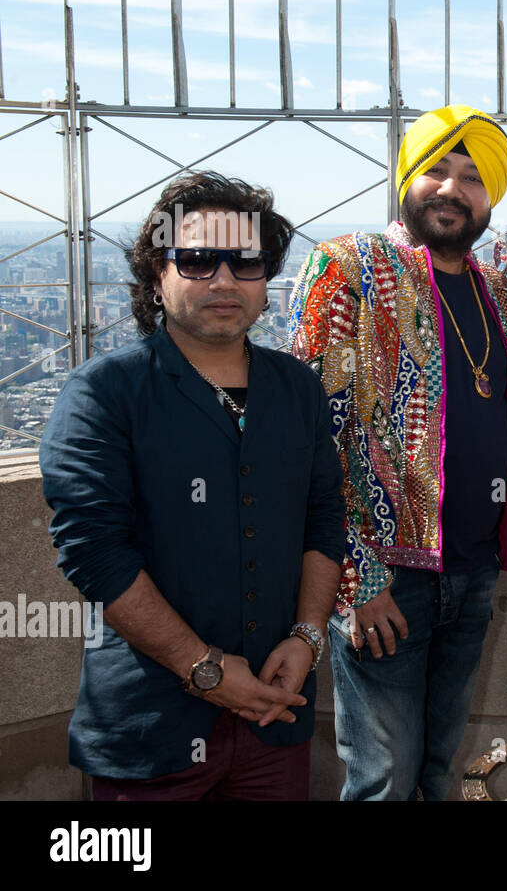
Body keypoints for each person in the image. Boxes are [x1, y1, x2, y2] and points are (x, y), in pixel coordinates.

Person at [288, 104, 507, 801]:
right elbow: (309, 435)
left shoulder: (494, 289)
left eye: (472, 177)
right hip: (384, 577)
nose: (452, 188)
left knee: (438, 767)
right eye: (436, 169)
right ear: (408, 176)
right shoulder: (348, 267)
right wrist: (354, 579)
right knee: (384, 776)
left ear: (489, 198)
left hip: (472, 568)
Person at [39, 172, 345, 800]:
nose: (224, 280)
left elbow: (323, 518)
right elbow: (93, 552)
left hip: (275, 719)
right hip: (152, 730)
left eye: (246, 262)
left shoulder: (298, 387)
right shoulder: (104, 393)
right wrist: (203, 669)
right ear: (157, 276)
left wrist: (308, 636)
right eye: (199, 260)